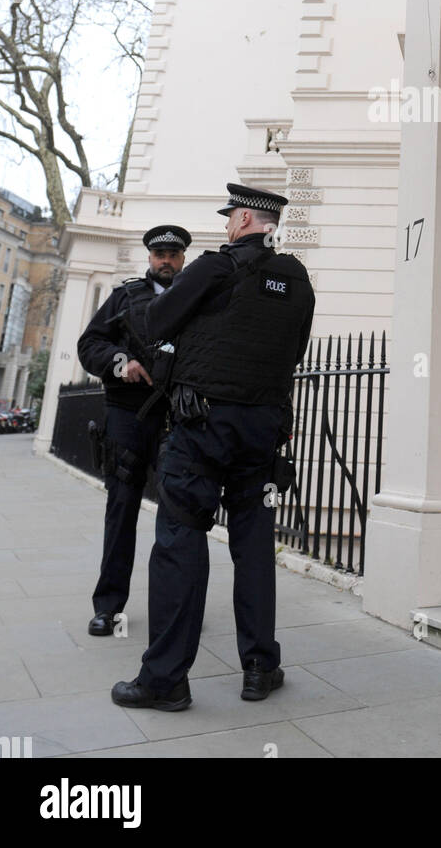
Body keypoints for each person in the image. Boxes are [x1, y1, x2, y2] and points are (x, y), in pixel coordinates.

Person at [110, 183, 315, 712]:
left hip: (202, 425)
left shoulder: (214, 267)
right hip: (263, 430)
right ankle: (260, 668)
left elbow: (155, 323)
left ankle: (164, 680)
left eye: (230, 218)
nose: (226, 226)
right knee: (253, 548)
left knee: (180, 540)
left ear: (246, 219)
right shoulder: (297, 279)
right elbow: (294, 352)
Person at [77, 224, 192, 637]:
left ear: (182, 259)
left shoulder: (195, 297)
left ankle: (173, 607)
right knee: (122, 509)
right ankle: (108, 607)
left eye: (173, 255)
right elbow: (89, 344)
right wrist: (120, 360)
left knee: (179, 514)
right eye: (159, 254)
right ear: (149, 258)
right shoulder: (124, 296)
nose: (166, 261)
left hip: (178, 416)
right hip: (128, 415)